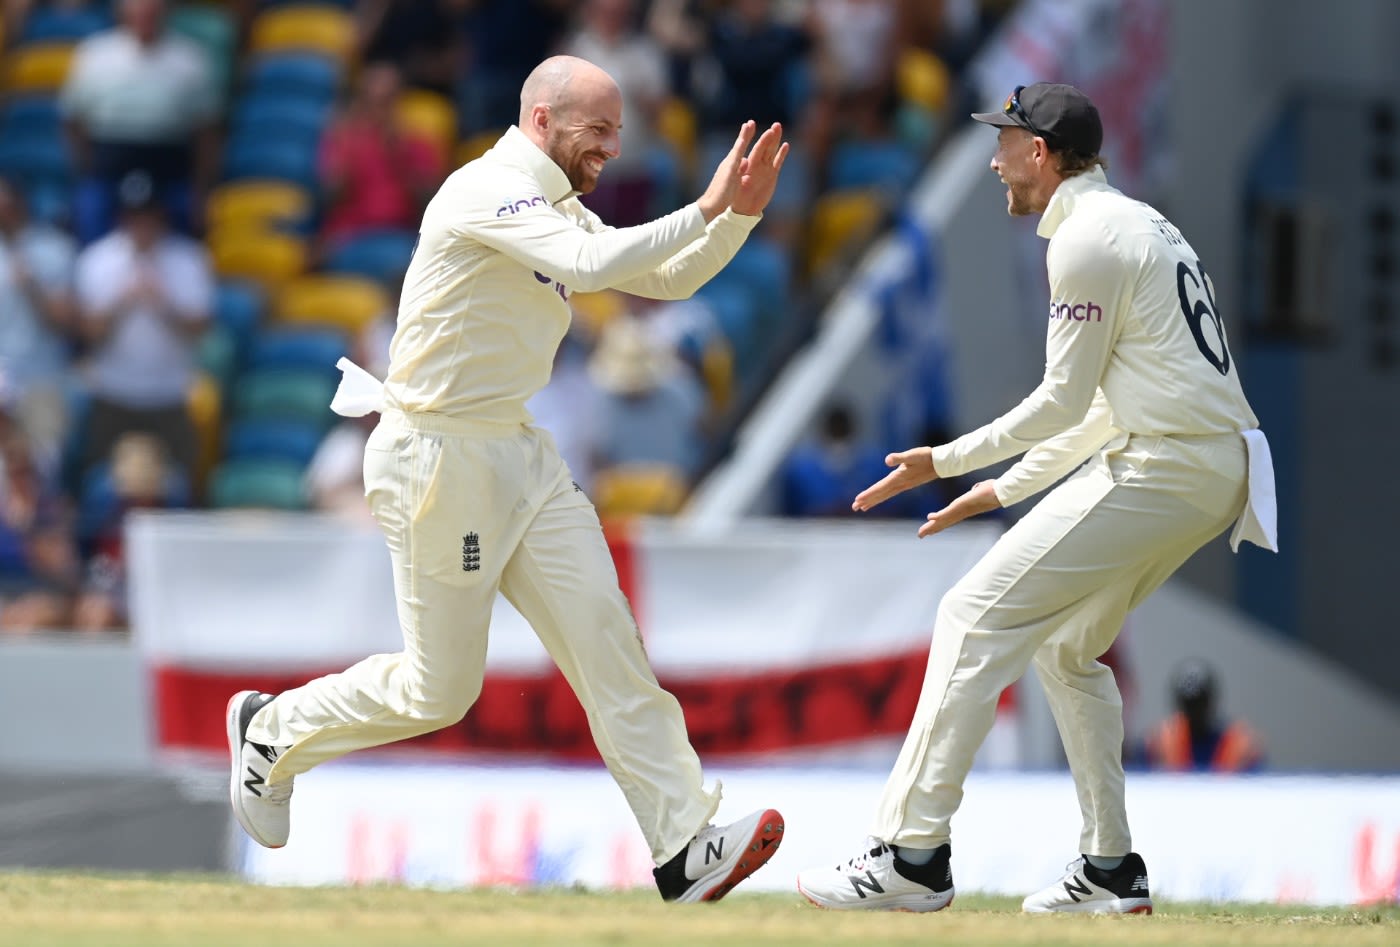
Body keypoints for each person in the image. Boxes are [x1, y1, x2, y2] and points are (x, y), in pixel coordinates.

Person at [226, 55, 791, 904]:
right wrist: (705, 205)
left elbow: (661, 276)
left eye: (617, 132)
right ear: (540, 121)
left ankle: (685, 842)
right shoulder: (485, 189)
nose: (610, 148)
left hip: (519, 452)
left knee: (608, 642)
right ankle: (272, 732)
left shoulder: (558, 207)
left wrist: (736, 220)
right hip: (437, 454)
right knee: (438, 689)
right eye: (596, 130)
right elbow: (598, 268)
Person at [795, 82, 1277, 915]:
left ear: (1043, 154)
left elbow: (1061, 402)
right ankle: (1111, 868)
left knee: (972, 612)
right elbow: (1099, 407)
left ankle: (912, 851)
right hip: (1205, 462)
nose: (995, 161)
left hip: (1170, 462)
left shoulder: (1087, 238)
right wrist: (998, 488)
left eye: (1007, 143)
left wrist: (944, 458)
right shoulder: (1131, 222)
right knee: (1065, 648)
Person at [73, 170, 213, 480]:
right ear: (122, 218)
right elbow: (89, 332)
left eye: (148, 216)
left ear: (161, 216)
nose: (142, 225)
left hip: (170, 395)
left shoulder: (188, 259)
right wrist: (122, 303)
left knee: (179, 484)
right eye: (134, 216)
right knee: (100, 486)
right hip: (113, 393)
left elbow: (202, 329)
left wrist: (164, 304)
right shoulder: (98, 260)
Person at [1141, 657, 1263, 772]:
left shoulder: (1239, 745)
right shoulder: (1160, 744)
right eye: (1189, 705)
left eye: (1199, 704)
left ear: (1211, 702)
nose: (1194, 712)